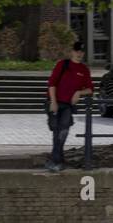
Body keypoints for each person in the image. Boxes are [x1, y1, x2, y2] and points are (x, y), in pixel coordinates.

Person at [45, 41, 94, 172]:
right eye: (77, 51)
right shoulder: (63, 64)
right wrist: (53, 102)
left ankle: (55, 161)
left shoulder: (84, 70)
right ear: (72, 52)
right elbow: (52, 84)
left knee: (64, 131)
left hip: (67, 105)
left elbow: (90, 89)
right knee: (56, 132)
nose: (79, 54)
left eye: (81, 52)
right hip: (54, 101)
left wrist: (79, 92)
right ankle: (57, 161)